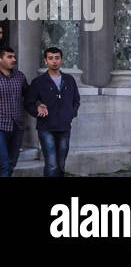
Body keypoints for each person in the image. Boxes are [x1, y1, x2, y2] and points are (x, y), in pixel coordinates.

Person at [23, 47, 79, 177]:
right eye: (51, 58)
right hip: (46, 127)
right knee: (51, 164)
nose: (54, 61)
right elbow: (29, 102)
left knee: (61, 165)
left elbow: (76, 100)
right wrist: (37, 110)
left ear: (61, 60)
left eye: (57, 58)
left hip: (64, 127)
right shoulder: (38, 82)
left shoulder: (69, 80)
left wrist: (71, 113)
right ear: (45, 60)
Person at [0, 46, 28, 177]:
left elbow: (29, 96)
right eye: (9, 57)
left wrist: (40, 104)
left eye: (14, 56)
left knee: (11, 163)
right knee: (4, 163)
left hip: (17, 126)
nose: (14, 59)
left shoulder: (20, 76)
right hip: (0, 126)